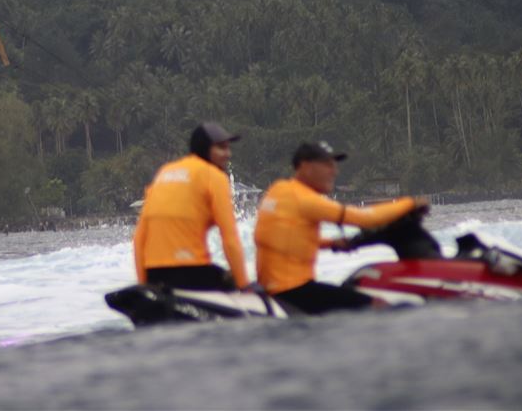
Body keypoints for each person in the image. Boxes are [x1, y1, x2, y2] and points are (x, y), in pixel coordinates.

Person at [254, 141, 427, 315]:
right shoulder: (306, 200)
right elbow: (365, 218)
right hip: (293, 290)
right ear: (305, 166)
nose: (334, 171)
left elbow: (283, 237)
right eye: (327, 165)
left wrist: (330, 243)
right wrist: (410, 203)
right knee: (377, 304)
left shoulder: (279, 189)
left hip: (272, 286)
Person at [133, 122, 251, 291]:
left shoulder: (165, 172)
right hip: (191, 273)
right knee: (233, 283)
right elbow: (230, 238)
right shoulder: (214, 176)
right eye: (221, 148)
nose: (228, 153)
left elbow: (138, 239)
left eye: (228, 148)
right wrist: (244, 287)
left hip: (154, 274)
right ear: (205, 149)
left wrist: (144, 285)